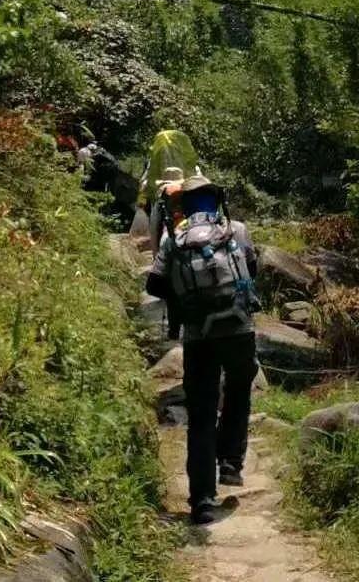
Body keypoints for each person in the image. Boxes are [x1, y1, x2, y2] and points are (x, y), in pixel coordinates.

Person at [145, 174, 260, 525]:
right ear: (216, 199)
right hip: (238, 330)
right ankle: (230, 464)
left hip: (199, 338)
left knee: (201, 413)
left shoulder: (174, 240)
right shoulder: (236, 230)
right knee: (239, 390)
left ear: (184, 205)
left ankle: (203, 501)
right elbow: (251, 271)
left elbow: (154, 284)